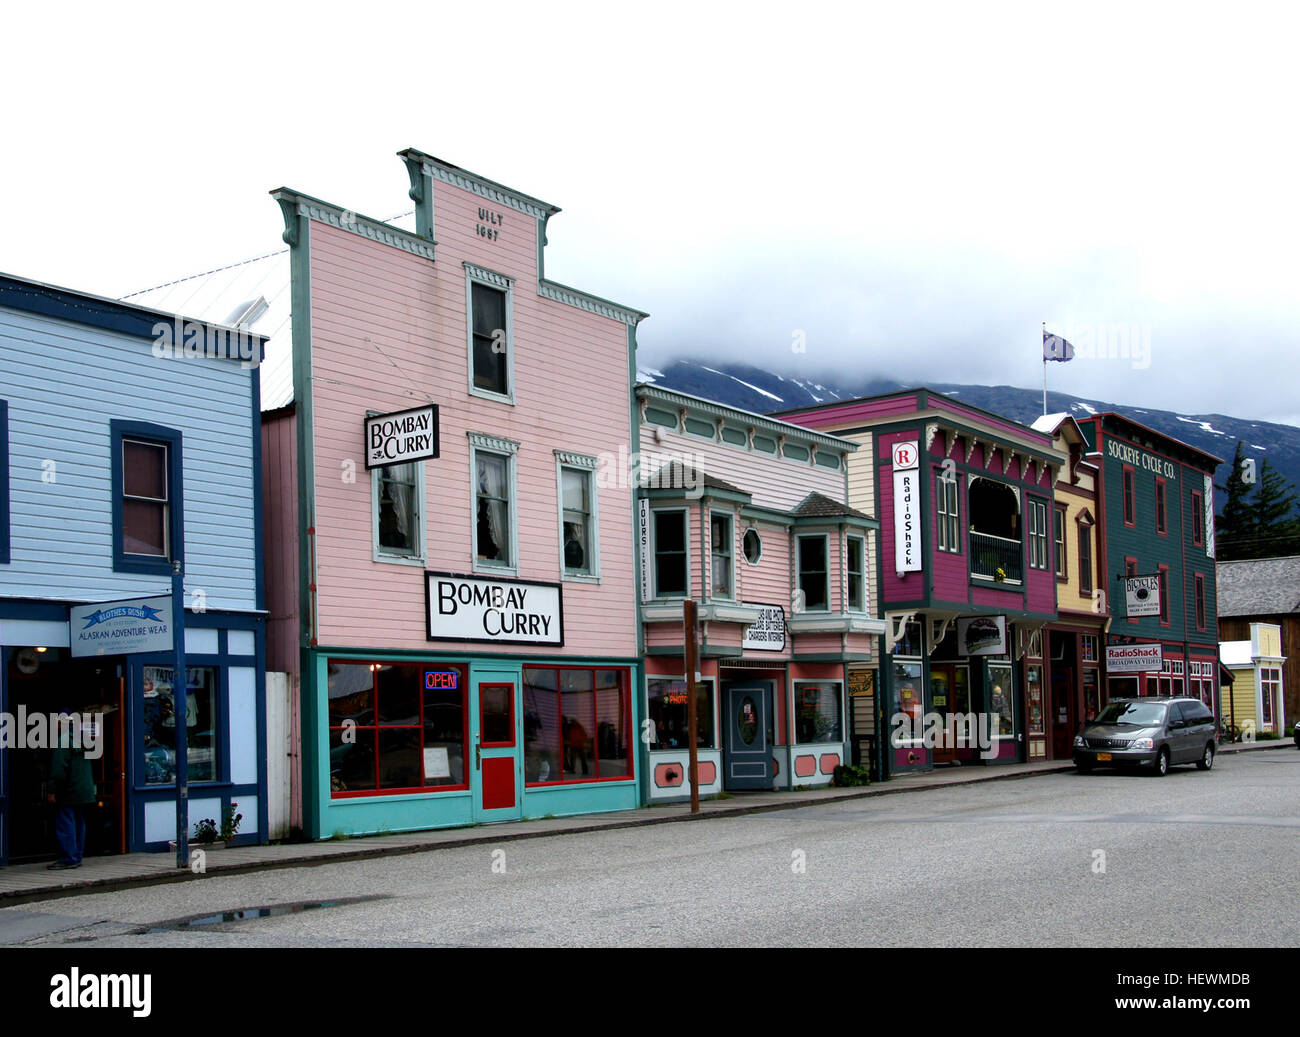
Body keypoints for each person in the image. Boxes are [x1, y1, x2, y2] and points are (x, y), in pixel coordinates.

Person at [47, 713, 97, 870]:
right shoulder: (83, 740)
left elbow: (58, 770)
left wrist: (52, 790)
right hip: (83, 789)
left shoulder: (63, 741)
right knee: (78, 822)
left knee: (65, 823)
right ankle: (76, 855)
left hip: (68, 789)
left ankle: (69, 857)